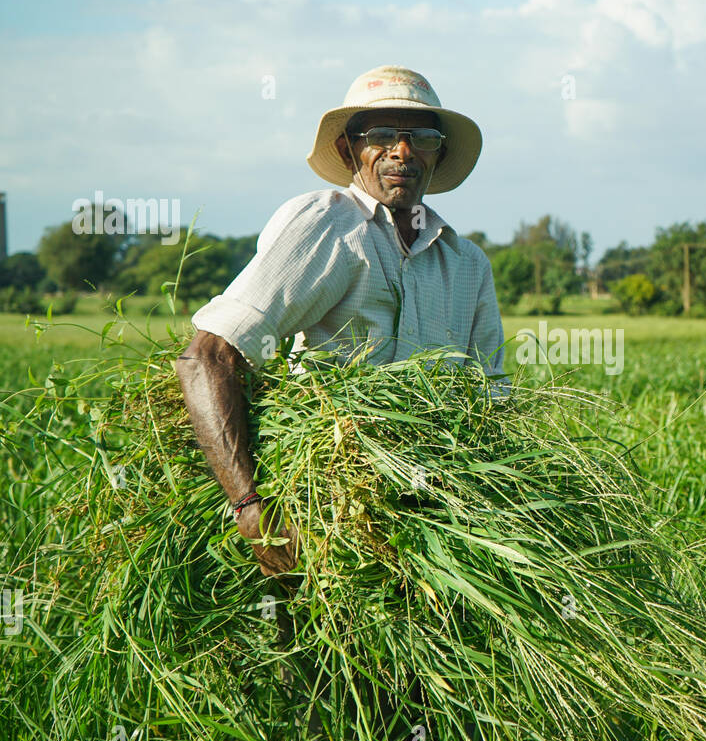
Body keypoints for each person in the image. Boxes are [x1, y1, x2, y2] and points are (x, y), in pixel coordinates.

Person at [175, 65, 502, 578]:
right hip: (317, 514)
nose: (402, 151)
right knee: (309, 651)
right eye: (381, 136)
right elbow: (208, 356)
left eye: (421, 138)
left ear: (437, 154)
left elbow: (492, 401)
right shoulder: (328, 225)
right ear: (351, 150)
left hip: (434, 532)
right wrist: (249, 507)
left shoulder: (465, 265)